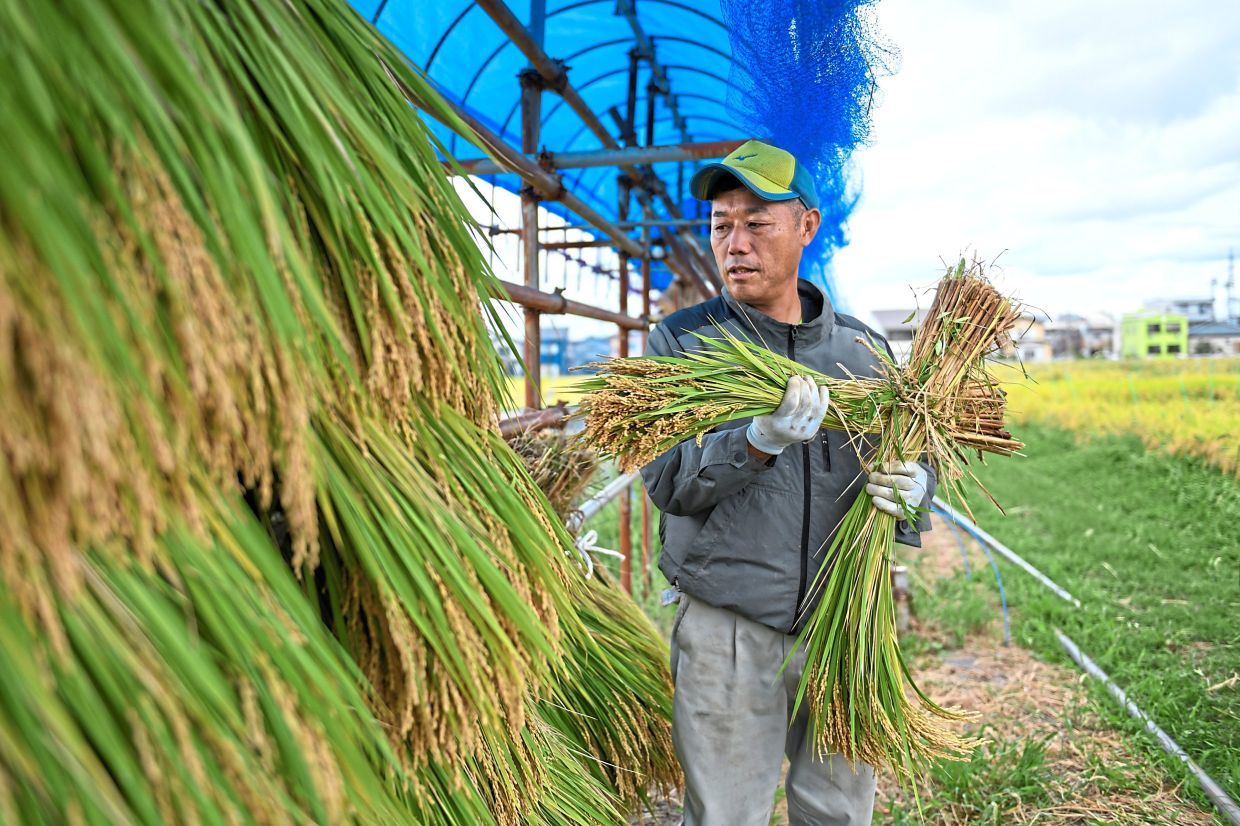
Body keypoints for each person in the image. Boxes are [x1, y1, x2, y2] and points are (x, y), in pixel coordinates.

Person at [640, 139, 935, 826]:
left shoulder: (862, 350)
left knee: (839, 812)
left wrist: (917, 494)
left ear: (806, 227)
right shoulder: (684, 344)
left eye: (755, 222)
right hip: (729, 629)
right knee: (726, 815)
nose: (734, 243)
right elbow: (667, 482)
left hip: (846, 624)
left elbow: (914, 451)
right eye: (720, 225)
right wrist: (754, 442)